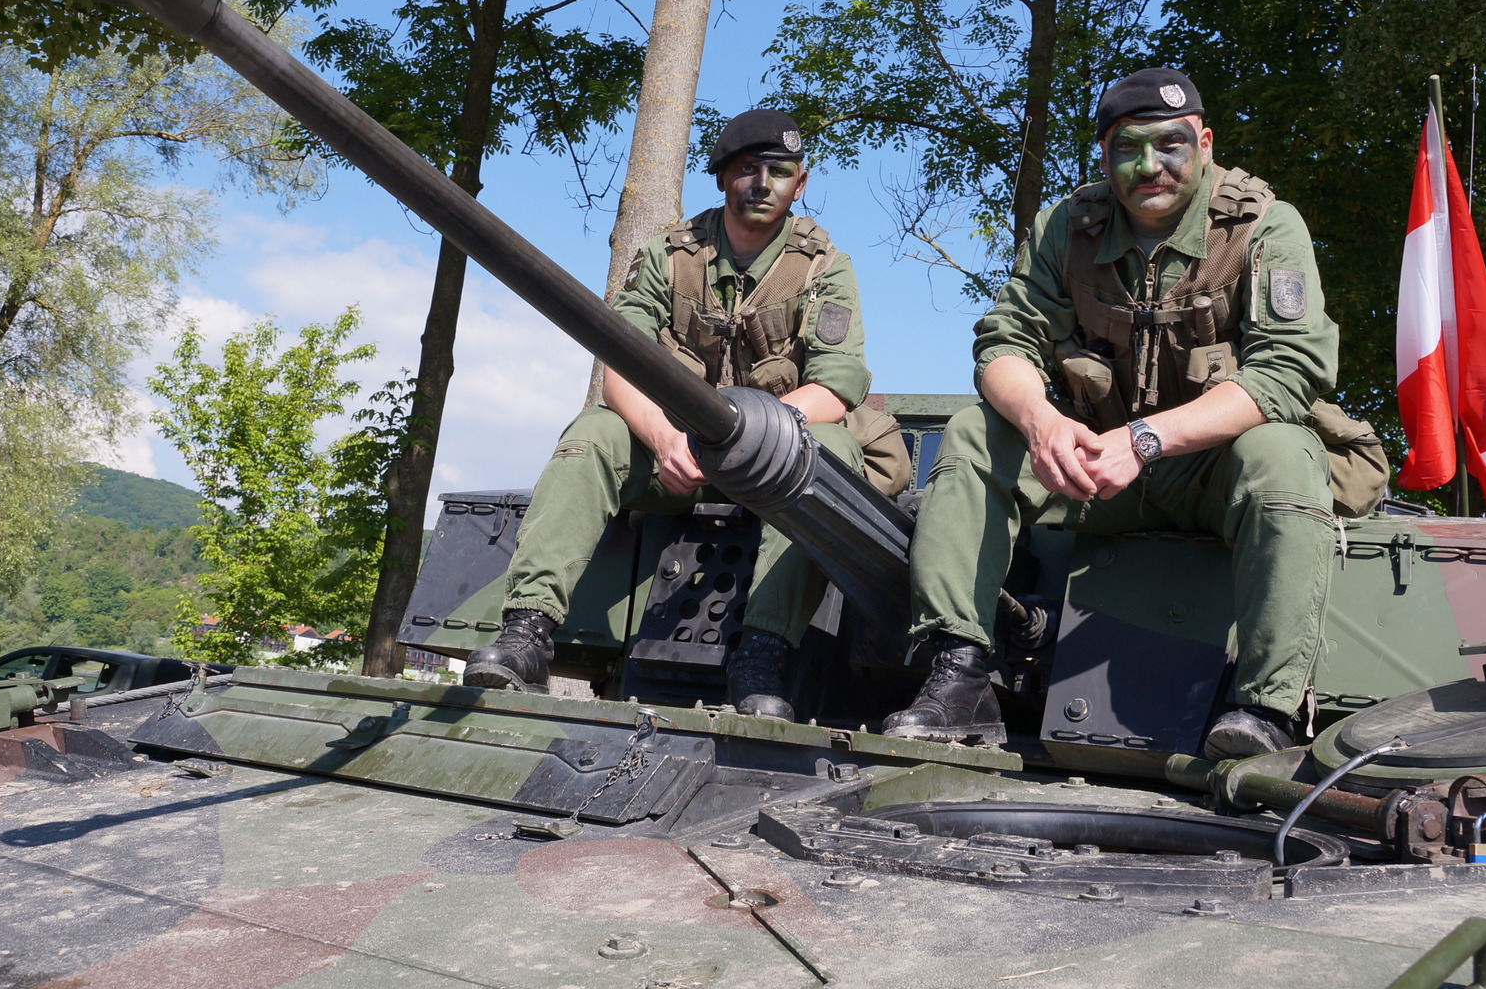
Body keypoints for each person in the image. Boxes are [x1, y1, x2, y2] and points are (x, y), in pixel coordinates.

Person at [889, 67, 1342, 758]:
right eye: (1129, 147)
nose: (1150, 165)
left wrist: (1148, 437)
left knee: (1285, 453)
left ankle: (1265, 709)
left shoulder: (1264, 227)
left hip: (1207, 474)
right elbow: (1004, 342)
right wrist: (1042, 422)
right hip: (1088, 471)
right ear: (1104, 155)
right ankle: (959, 675)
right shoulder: (1066, 228)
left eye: (1171, 144)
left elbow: (1288, 371)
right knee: (976, 432)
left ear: (1205, 142)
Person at [465, 109, 897, 718]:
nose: (763, 183)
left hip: (774, 467)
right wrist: (665, 439)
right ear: (722, 178)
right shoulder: (671, 254)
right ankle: (527, 632)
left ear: (800, 185)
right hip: (675, 455)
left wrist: (756, 440)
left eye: (780, 172)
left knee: (832, 451)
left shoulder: (823, 265)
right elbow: (619, 360)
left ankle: (762, 656)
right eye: (748, 169)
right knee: (593, 433)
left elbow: (838, 382)